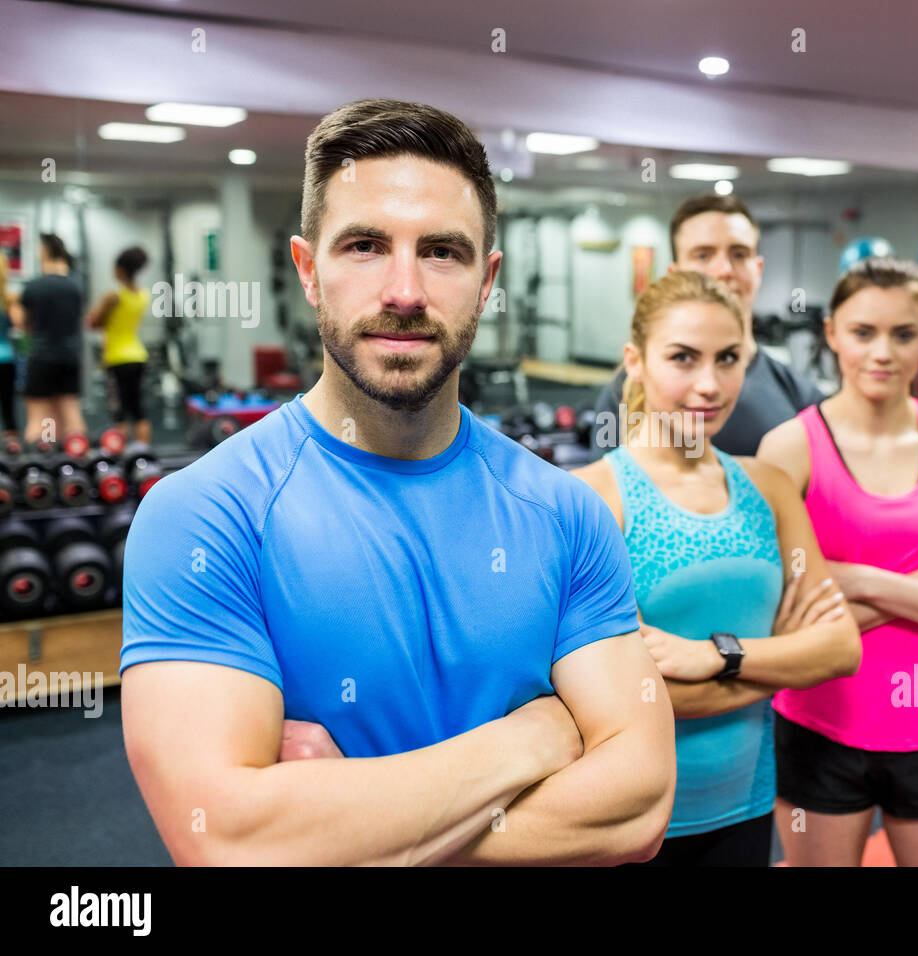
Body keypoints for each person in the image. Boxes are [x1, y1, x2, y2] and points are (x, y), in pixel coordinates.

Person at [119, 98, 676, 867]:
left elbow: (637, 808)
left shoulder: (566, 514)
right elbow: (233, 843)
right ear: (309, 271)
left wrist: (349, 825)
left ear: (487, 282)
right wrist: (532, 737)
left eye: (443, 251)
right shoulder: (203, 518)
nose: (405, 291)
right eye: (366, 246)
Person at [572, 270, 860, 866]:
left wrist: (717, 656)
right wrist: (786, 659)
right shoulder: (594, 497)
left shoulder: (769, 486)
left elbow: (840, 648)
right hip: (632, 824)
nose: (709, 384)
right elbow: (622, 700)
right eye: (683, 358)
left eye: (728, 358)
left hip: (748, 809)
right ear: (636, 361)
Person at [756, 257, 918, 866]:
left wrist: (853, 580)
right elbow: (785, 620)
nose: (883, 352)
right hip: (819, 724)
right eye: (863, 332)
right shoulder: (790, 447)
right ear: (831, 333)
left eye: (903, 334)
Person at [590, 195, 823, 457]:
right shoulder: (628, 392)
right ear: (675, 274)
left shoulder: (796, 393)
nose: (724, 269)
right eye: (703, 255)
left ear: (758, 269)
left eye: (739, 254)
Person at [8, 234, 86, 445]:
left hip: (42, 357)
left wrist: (12, 304)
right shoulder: (75, 286)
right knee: (70, 415)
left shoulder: (34, 286)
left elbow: (21, 324)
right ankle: (76, 467)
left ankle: (39, 469)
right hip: (70, 357)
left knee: (40, 418)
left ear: (45, 251)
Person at [86, 246, 151, 444]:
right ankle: (143, 452)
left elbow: (92, 322)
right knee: (138, 410)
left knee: (120, 412)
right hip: (138, 355)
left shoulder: (113, 296)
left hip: (117, 358)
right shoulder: (143, 295)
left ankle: (122, 458)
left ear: (120, 270)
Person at [0, 257, 19, 440]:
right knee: (8, 409)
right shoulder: (9, 298)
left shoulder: (9, 298)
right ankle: (12, 449)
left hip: (6, 359)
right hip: (6, 359)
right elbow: (19, 323)